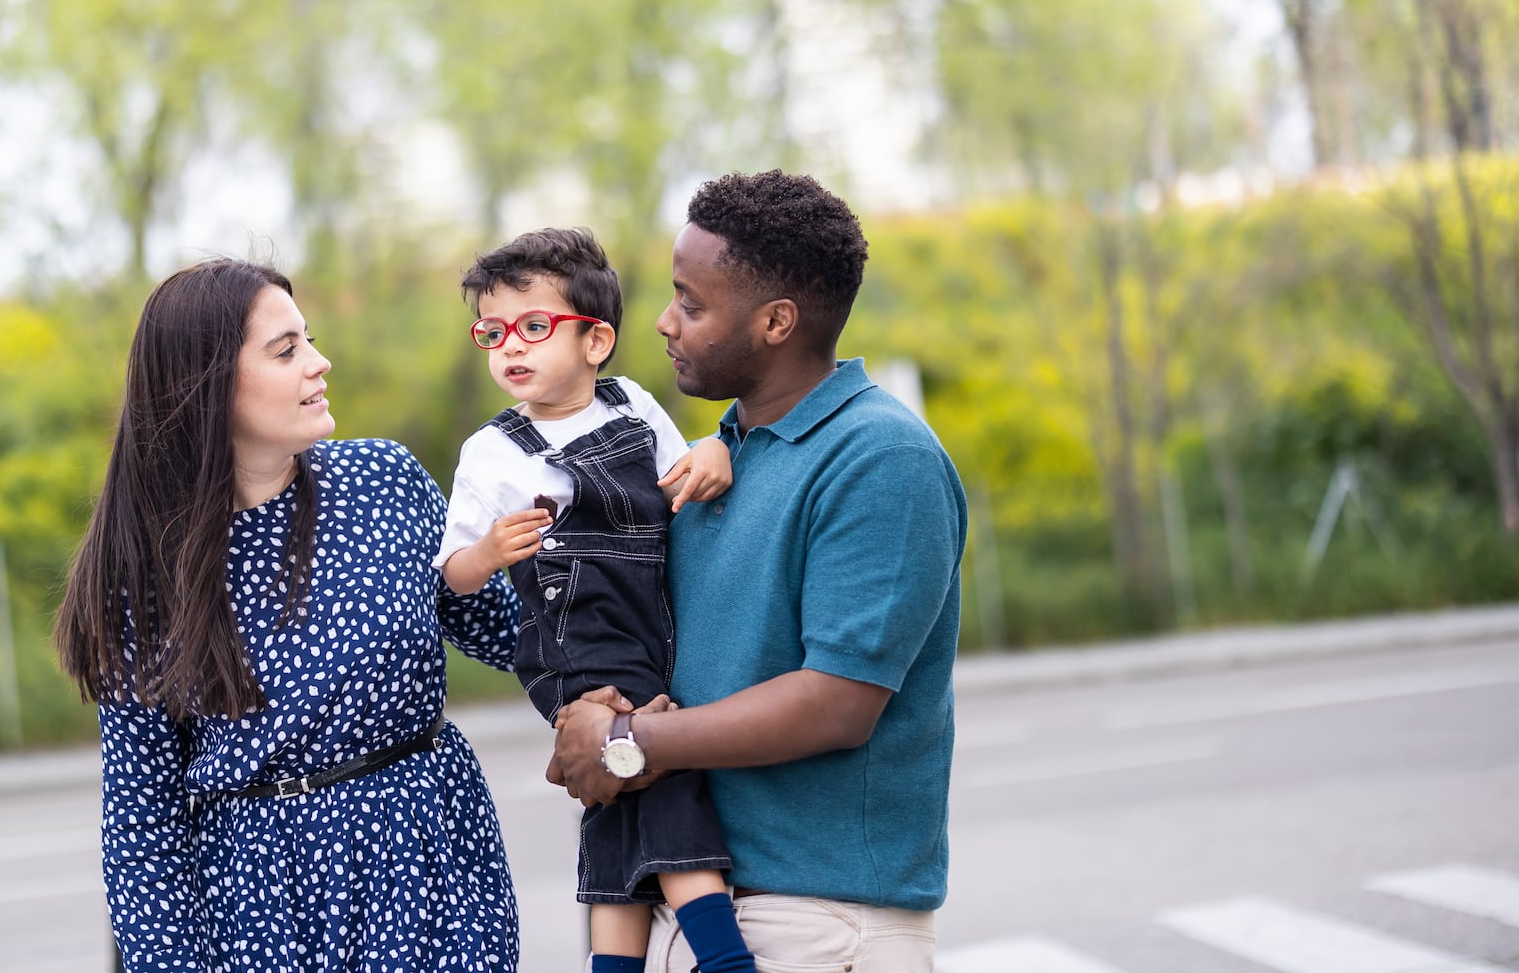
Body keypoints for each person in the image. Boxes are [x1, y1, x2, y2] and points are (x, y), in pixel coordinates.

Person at [548, 171, 967, 973]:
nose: (666, 322)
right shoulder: (716, 458)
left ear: (777, 321)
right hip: (697, 905)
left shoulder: (881, 457)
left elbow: (835, 703)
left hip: (819, 922)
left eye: (692, 303)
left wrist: (629, 742)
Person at [55, 258, 522, 972]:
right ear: (209, 384)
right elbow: (142, 824)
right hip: (261, 908)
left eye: (308, 339)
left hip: (428, 864)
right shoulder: (146, 573)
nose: (319, 362)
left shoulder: (384, 480)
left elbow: (508, 629)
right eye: (287, 350)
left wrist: (625, 712)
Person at [435, 228, 755, 973]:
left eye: (534, 326)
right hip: (575, 641)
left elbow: (684, 481)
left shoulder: (632, 405)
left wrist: (715, 450)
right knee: (660, 773)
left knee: (618, 797)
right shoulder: (492, 451)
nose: (510, 346)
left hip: (649, 625)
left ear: (596, 339)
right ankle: (724, 957)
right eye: (492, 332)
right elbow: (451, 574)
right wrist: (487, 553)